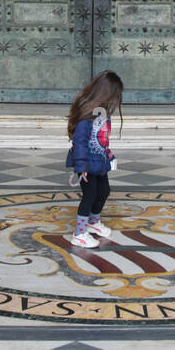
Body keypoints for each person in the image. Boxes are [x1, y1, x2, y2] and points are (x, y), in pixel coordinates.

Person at [65, 70, 123, 248]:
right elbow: (80, 142)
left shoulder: (103, 114)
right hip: (87, 164)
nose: (116, 100)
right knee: (89, 196)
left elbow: (101, 139)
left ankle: (93, 221)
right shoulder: (87, 116)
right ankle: (80, 233)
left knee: (103, 192)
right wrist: (82, 166)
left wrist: (109, 155)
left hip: (100, 162)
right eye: (115, 96)